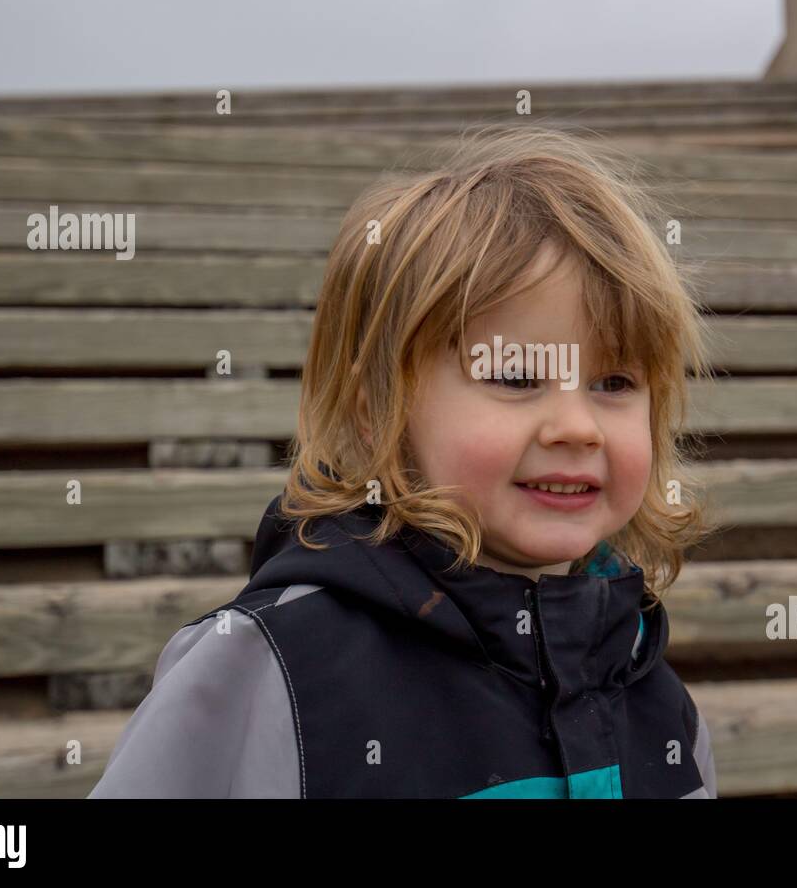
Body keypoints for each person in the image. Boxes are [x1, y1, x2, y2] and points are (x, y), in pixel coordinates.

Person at [89, 126, 720, 798]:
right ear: (377, 411)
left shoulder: (646, 685)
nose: (576, 427)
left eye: (615, 383)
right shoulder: (274, 671)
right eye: (513, 375)